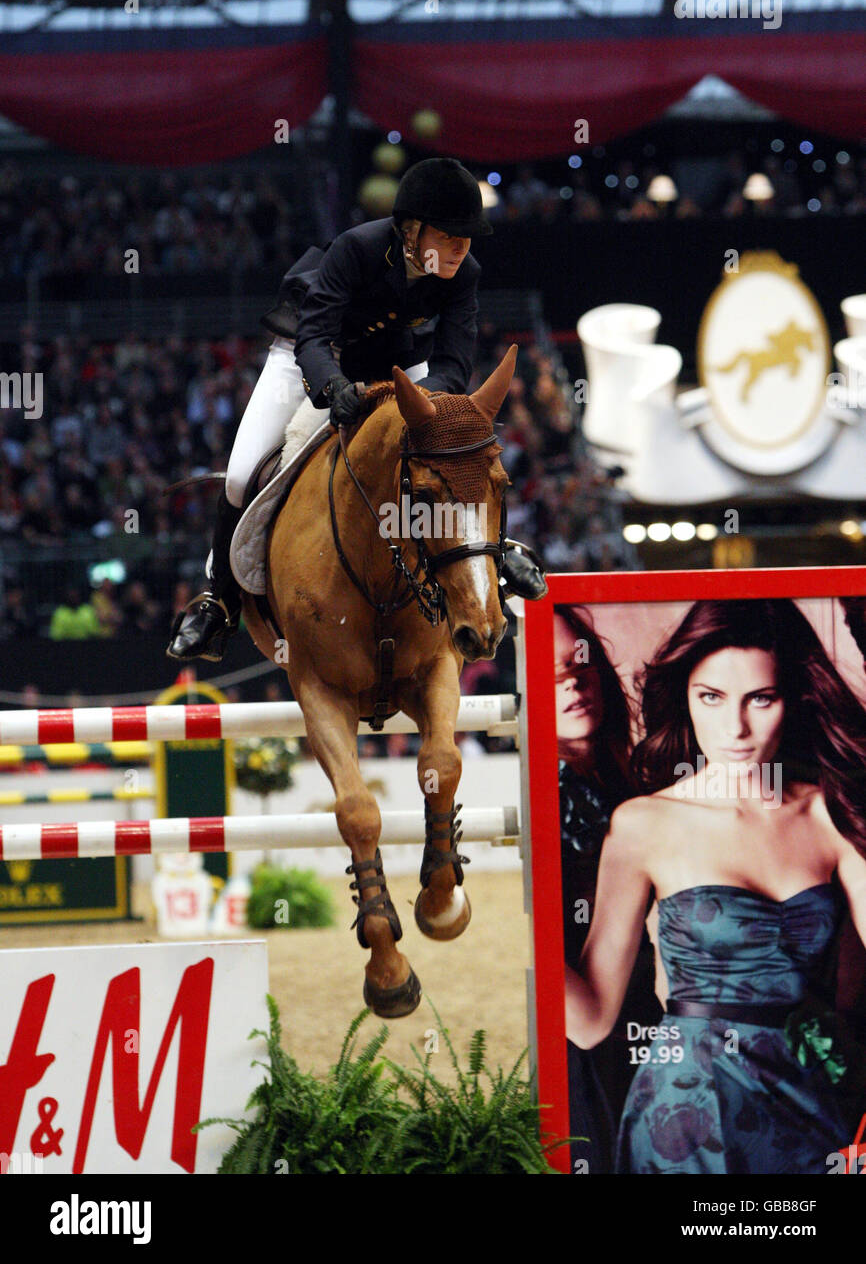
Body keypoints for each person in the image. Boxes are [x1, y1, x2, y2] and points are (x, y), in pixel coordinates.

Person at [168, 157, 546, 662]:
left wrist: (399, 406)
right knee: (240, 476)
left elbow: (453, 366)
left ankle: (495, 561)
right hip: (314, 356)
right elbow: (314, 335)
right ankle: (220, 602)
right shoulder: (357, 248)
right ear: (412, 231)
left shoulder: (464, 272)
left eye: (467, 237)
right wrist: (335, 389)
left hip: (396, 366)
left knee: (452, 452)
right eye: (450, 236)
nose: (462, 248)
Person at [565, 598, 866, 1174]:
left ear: (795, 697)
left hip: (819, 1102)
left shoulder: (831, 814)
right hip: (688, 1114)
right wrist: (530, 934)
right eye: (712, 698)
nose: (736, 728)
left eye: (761, 698)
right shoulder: (643, 823)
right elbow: (593, 1020)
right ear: (685, 697)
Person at [555, 607, 661, 1173]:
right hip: (578, 1030)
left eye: (579, 663)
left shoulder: (626, 770)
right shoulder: (544, 791)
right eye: (549, 675)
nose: (571, 680)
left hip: (642, 1017)